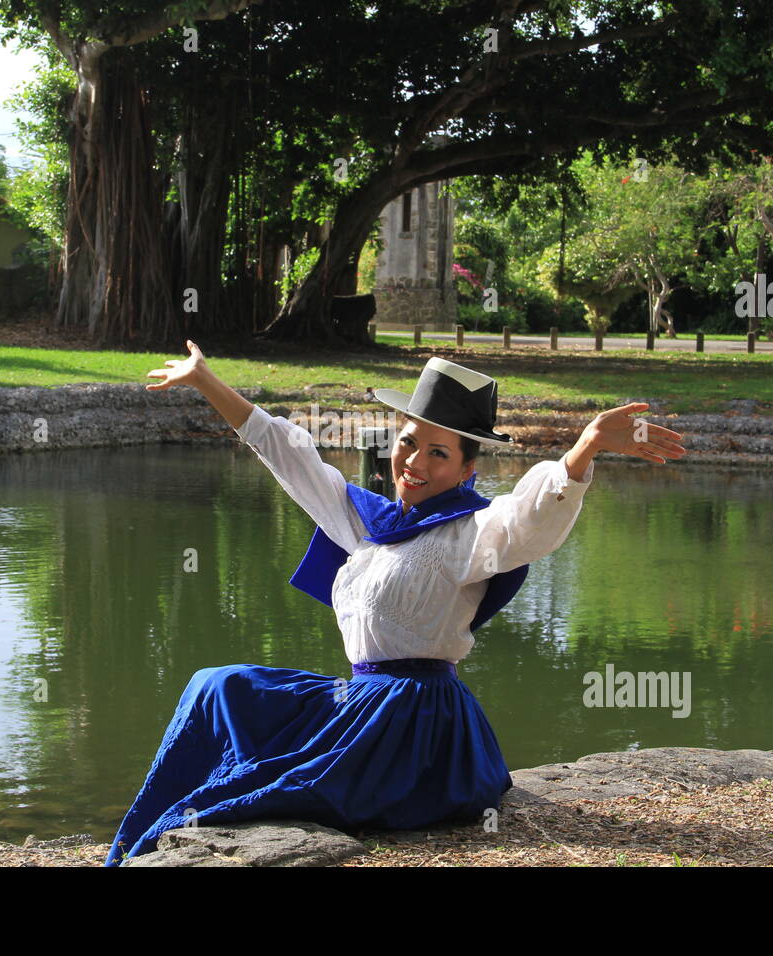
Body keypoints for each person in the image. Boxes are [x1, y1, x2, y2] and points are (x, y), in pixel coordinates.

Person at [103, 342, 686, 864]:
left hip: (417, 722)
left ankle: (181, 834)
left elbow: (531, 518)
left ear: (466, 468)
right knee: (218, 686)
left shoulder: (470, 533)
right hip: (361, 700)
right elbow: (289, 455)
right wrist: (206, 379)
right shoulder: (370, 523)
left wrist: (583, 451)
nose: (415, 462)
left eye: (438, 453)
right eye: (409, 443)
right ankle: (134, 847)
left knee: (260, 786)